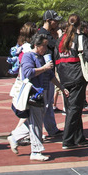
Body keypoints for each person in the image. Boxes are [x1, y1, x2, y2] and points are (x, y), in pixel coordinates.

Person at [8, 33, 66, 161]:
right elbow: (27, 73)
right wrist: (44, 68)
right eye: (44, 46)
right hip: (34, 93)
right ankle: (36, 151)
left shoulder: (42, 58)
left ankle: (15, 136)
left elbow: (50, 75)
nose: (46, 49)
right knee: (36, 123)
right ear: (36, 45)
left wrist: (61, 87)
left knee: (34, 121)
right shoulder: (28, 56)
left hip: (43, 93)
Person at [56, 14, 88, 149]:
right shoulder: (81, 39)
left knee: (73, 108)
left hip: (64, 77)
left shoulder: (60, 40)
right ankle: (68, 140)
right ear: (79, 25)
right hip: (77, 77)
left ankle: (79, 137)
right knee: (74, 109)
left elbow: (56, 59)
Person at [38, 9, 63, 138]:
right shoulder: (43, 35)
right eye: (55, 20)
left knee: (47, 105)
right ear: (48, 20)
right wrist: (58, 37)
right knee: (43, 104)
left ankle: (51, 129)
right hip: (44, 74)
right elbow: (58, 46)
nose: (57, 23)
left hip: (49, 73)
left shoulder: (47, 34)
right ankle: (26, 132)